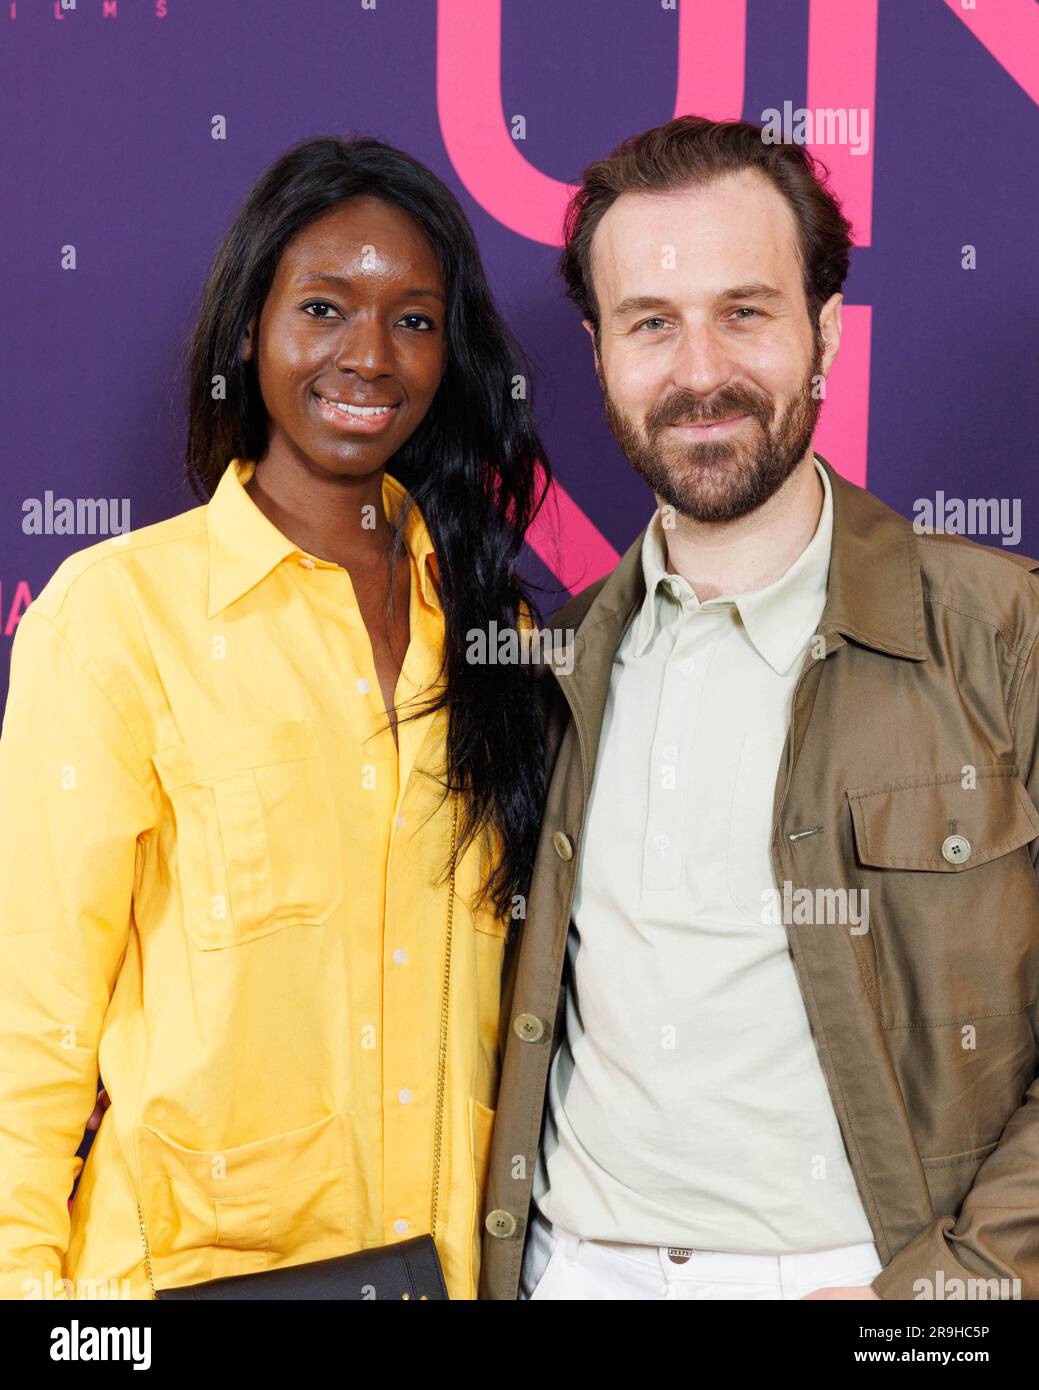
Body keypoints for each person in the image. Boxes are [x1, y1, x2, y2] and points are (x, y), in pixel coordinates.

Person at [479, 115, 1039, 1301]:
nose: (698, 373)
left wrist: (952, 1294)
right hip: (567, 1272)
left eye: (744, 311)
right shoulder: (550, 664)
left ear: (822, 330)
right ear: (596, 352)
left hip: (865, 1281)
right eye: (650, 324)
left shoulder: (1002, 633)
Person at [0, 134, 550, 1301]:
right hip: (182, 1291)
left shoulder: (492, 631)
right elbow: (27, 1021)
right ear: (250, 328)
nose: (368, 355)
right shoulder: (119, 617)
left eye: (412, 319)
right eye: (324, 307)